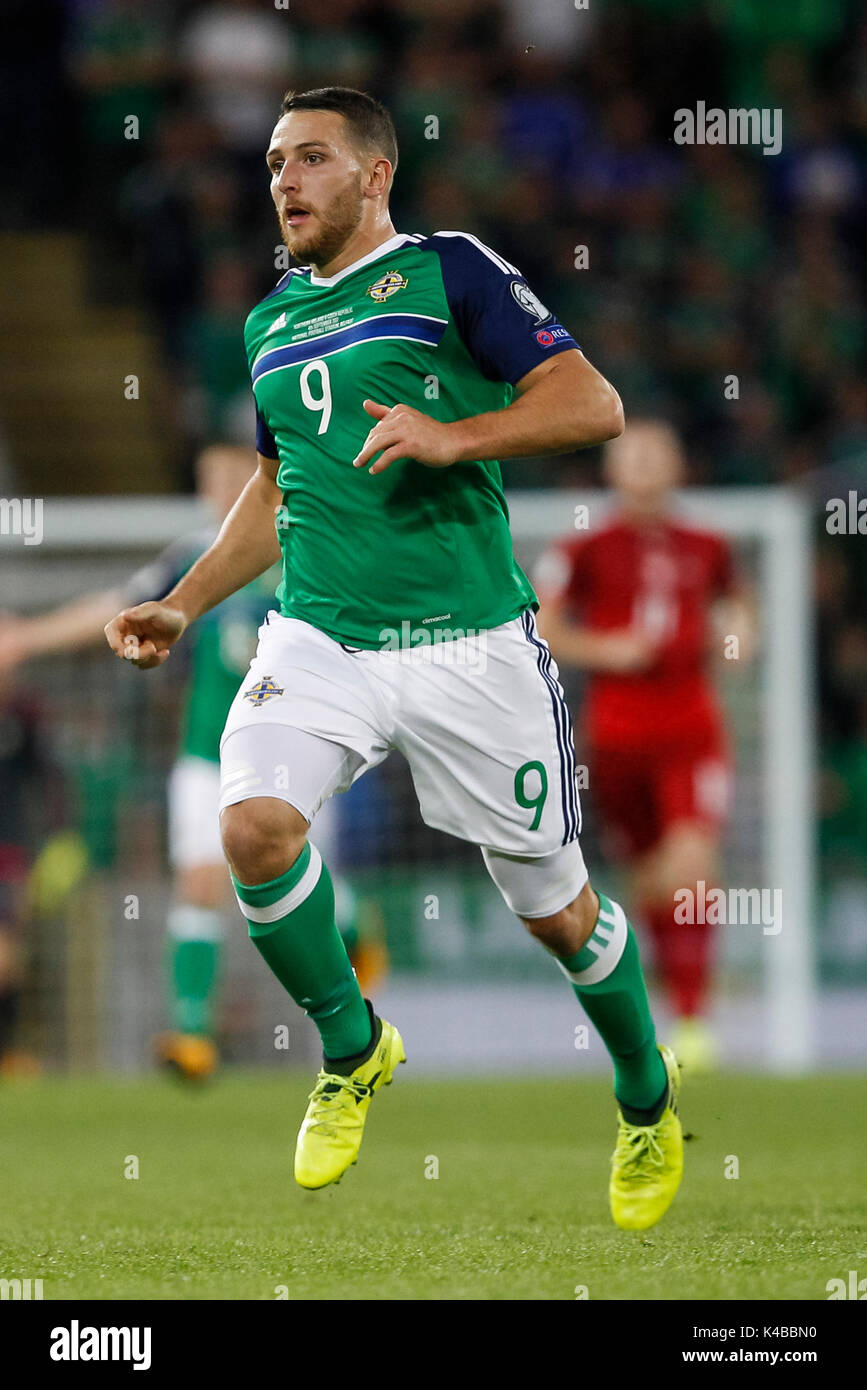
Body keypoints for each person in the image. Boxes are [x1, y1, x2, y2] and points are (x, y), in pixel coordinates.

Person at [105, 85, 682, 1230]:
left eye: (311, 159)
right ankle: (353, 1045)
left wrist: (454, 433)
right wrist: (183, 601)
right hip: (320, 635)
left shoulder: (451, 270)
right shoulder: (270, 321)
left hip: (470, 647)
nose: (284, 181)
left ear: (375, 175)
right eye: (274, 162)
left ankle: (646, 1096)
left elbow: (593, 403)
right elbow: (282, 487)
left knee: (557, 912)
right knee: (251, 830)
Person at [0, 446, 276, 1079]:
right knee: (202, 878)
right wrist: (30, 638)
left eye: (232, 474)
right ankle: (192, 1035)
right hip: (207, 750)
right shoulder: (194, 557)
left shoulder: (300, 546)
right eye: (207, 479)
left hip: (290, 753)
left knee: (273, 883)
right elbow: (118, 605)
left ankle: (351, 925)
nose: (218, 490)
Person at [534, 419, 754, 1071]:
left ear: (678, 467)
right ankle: (670, 993)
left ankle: (692, 1021)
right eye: (634, 458)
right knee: (650, 879)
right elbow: (543, 626)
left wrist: (738, 636)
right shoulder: (585, 548)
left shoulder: (706, 544)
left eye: (659, 456)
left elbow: (739, 606)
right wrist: (605, 648)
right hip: (617, 736)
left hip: (690, 728)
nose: (646, 468)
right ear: (613, 471)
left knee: (690, 864)